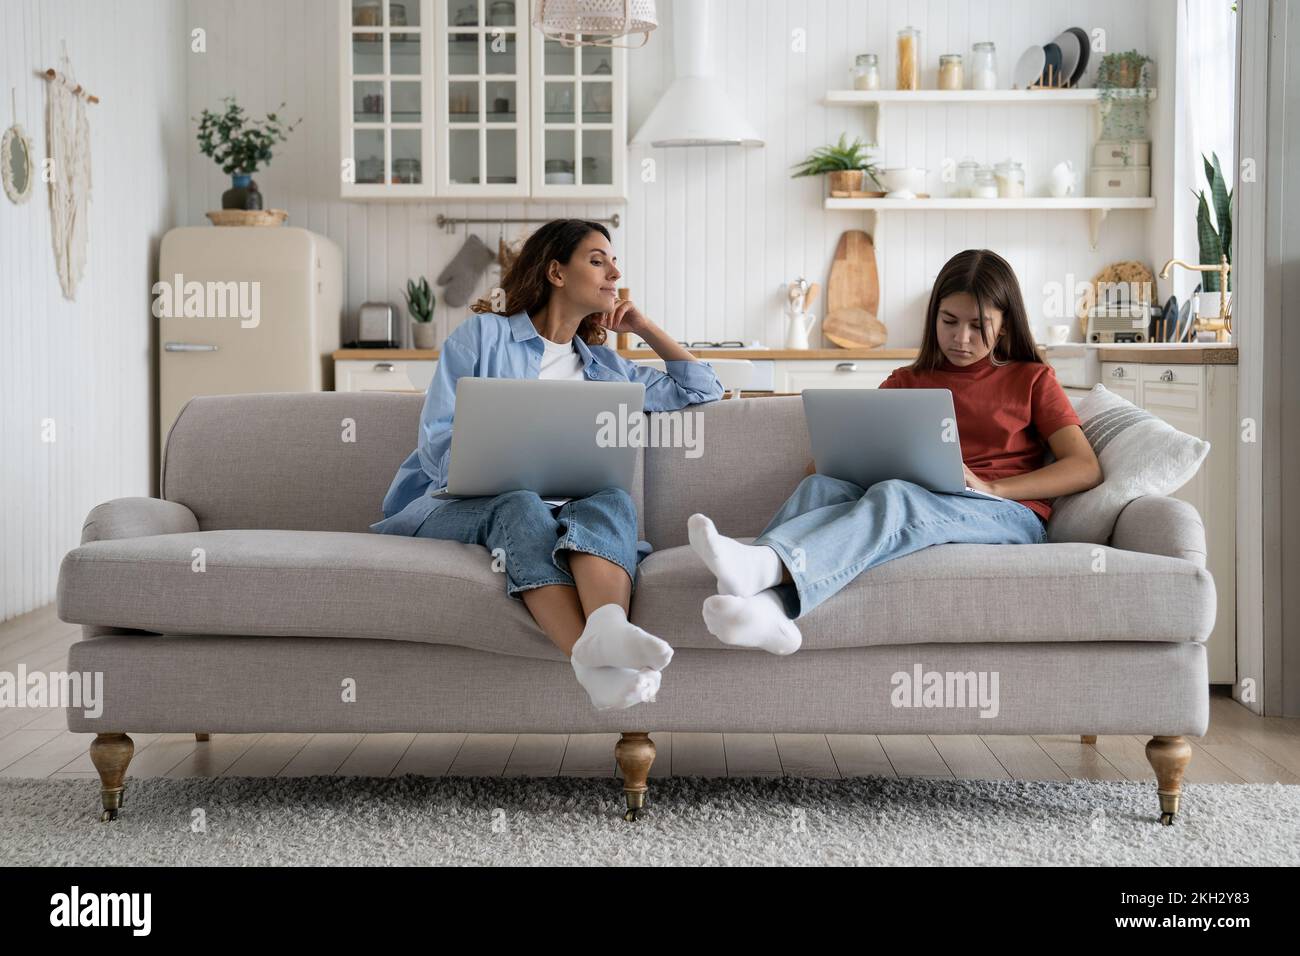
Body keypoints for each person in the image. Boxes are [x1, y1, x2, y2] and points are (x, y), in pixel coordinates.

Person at [372, 219, 724, 709]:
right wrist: (504, 466)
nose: (614, 272)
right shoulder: (482, 337)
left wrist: (642, 328)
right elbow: (435, 448)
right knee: (519, 502)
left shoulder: (604, 367)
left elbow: (702, 389)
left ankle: (606, 630)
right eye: (597, 260)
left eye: (614, 261)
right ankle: (586, 662)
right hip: (455, 505)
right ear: (556, 273)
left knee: (611, 500)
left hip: (562, 508)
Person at [686, 248, 1104, 655]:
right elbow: (831, 464)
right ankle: (767, 609)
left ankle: (764, 569)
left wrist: (993, 487)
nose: (961, 338)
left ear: (1006, 326)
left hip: (1008, 514)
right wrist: (843, 461)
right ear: (933, 317)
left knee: (895, 496)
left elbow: (1084, 467)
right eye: (949, 321)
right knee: (820, 487)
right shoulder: (907, 381)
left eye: (979, 326)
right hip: (929, 500)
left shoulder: (1032, 379)